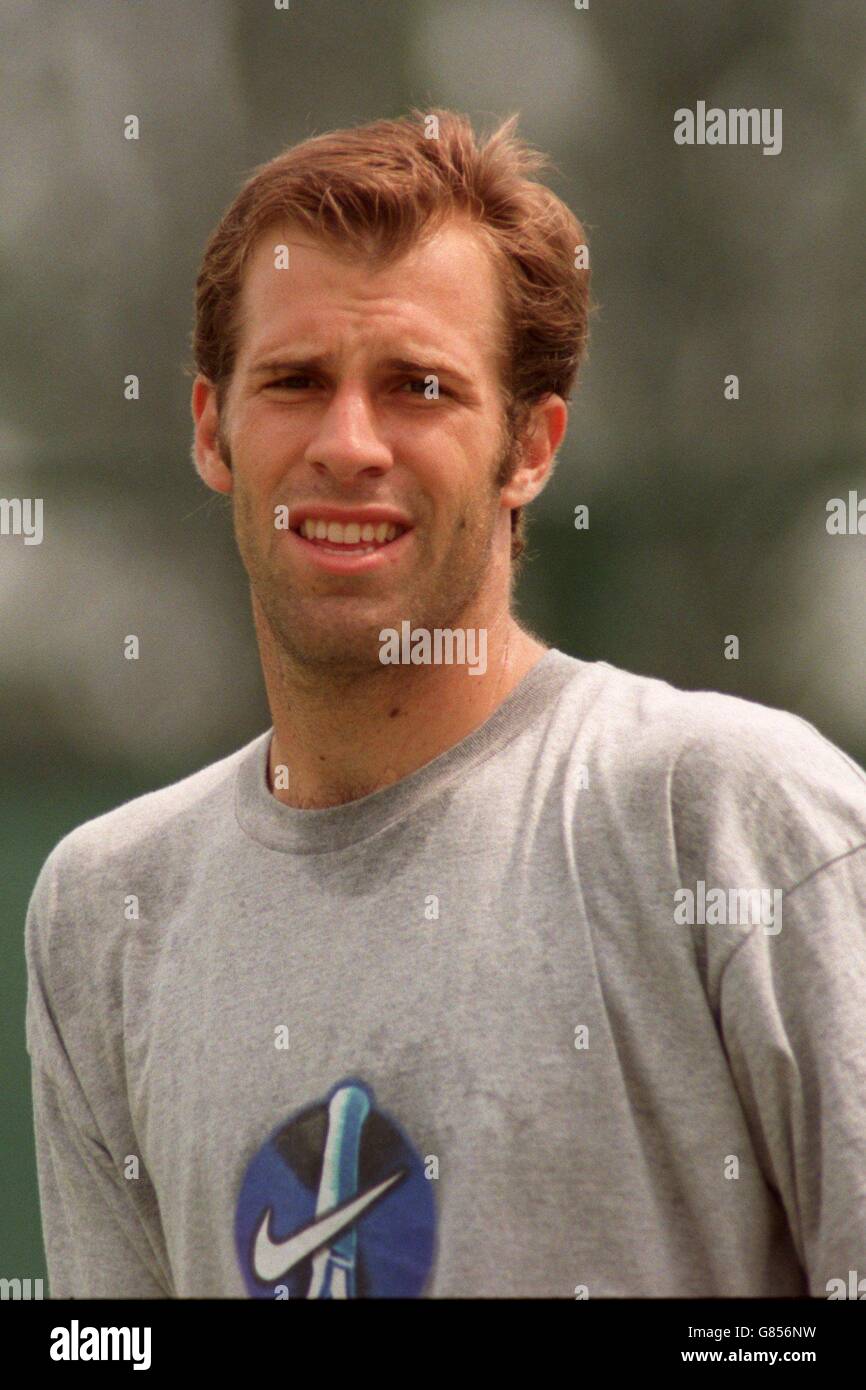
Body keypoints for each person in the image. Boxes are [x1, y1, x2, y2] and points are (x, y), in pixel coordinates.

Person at [25, 108, 866, 1299]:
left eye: (418, 387)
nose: (348, 442)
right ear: (212, 429)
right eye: (295, 381)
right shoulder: (102, 912)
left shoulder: (735, 815)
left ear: (529, 447)